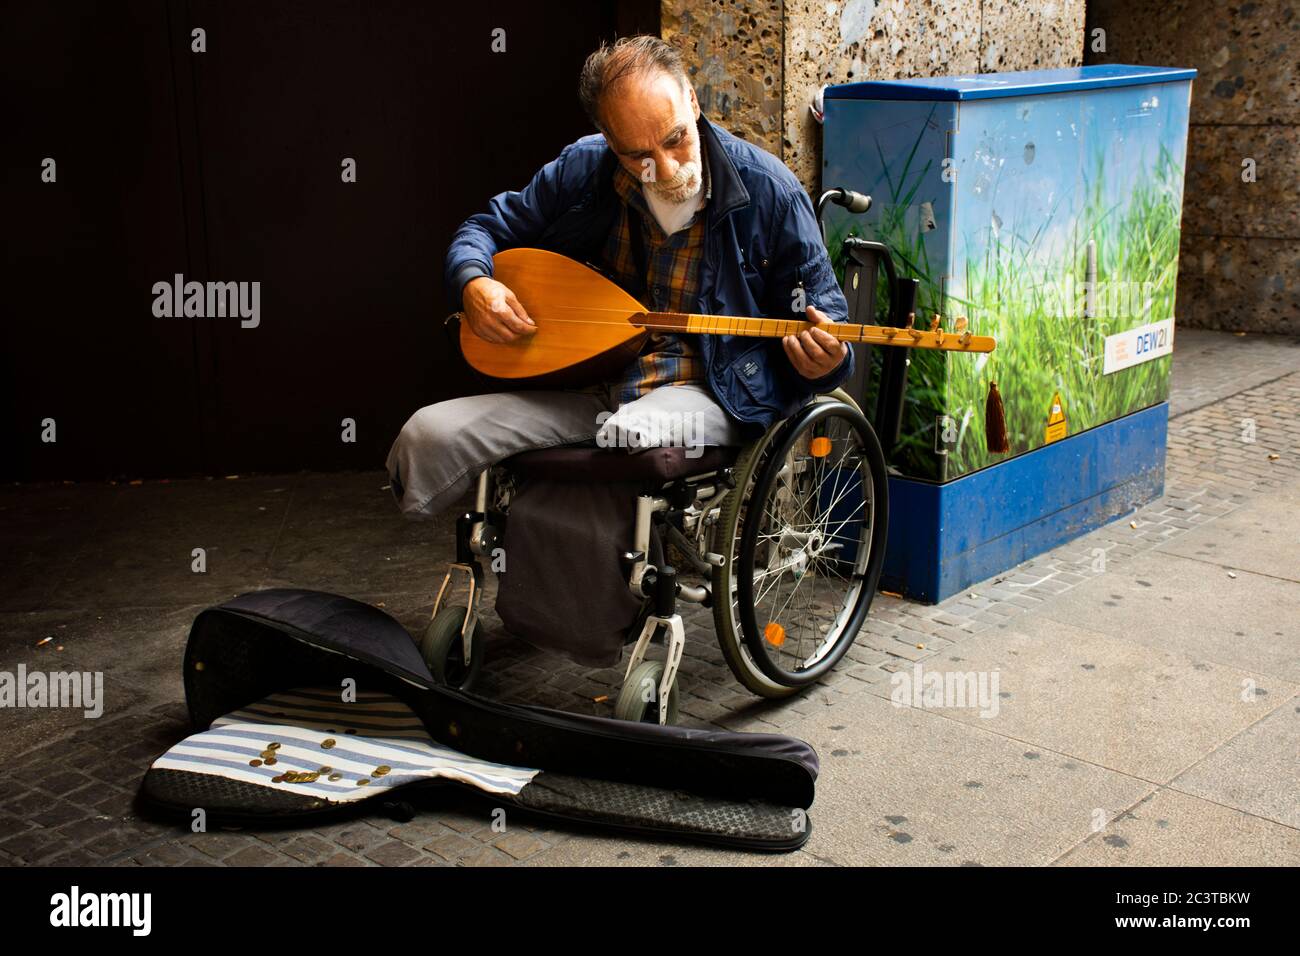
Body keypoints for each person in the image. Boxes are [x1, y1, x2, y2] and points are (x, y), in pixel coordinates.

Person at [387, 35, 853, 519]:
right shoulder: (586, 167)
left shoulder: (770, 192)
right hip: (585, 382)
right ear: (611, 141)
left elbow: (827, 324)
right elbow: (484, 229)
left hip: (709, 392)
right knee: (427, 435)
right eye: (638, 155)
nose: (667, 167)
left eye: (675, 138)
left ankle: (603, 577)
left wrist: (824, 362)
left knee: (631, 433)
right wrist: (473, 282)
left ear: (692, 100)